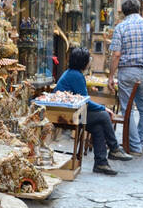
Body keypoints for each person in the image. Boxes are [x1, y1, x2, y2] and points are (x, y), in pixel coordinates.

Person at [55, 47, 132, 175]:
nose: (90, 62)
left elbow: (84, 100)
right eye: (88, 59)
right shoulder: (76, 75)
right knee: (103, 115)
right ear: (83, 62)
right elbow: (86, 101)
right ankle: (114, 148)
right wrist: (104, 108)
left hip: (71, 111)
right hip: (67, 114)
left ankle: (101, 163)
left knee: (97, 127)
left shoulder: (72, 73)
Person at [107, 0, 143, 155]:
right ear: (139, 9)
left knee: (128, 109)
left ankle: (134, 146)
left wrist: (111, 76)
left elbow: (116, 54)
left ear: (124, 12)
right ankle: (140, 143)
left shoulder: (121, 27)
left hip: (127, 72)